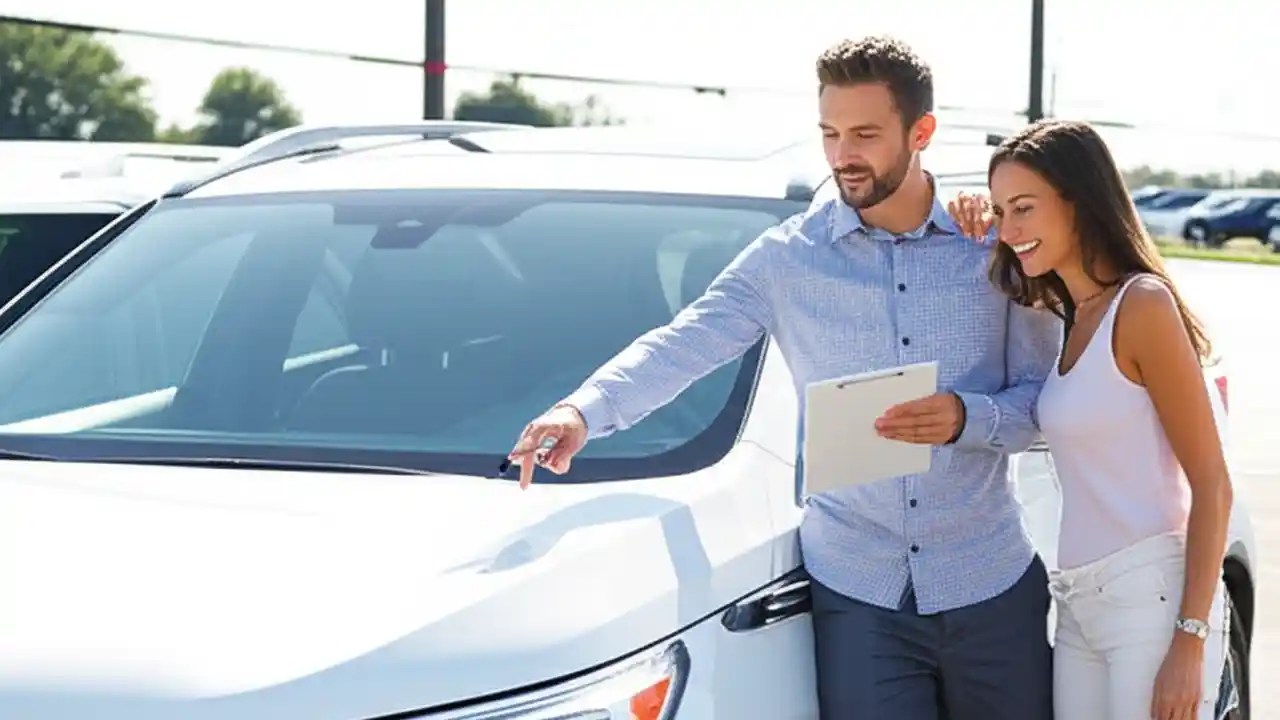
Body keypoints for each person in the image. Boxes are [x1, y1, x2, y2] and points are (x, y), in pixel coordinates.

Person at [508, 36, 1062, 719]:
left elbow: (1046, 398)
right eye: (829, 133)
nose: (842, 155)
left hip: (992, 584)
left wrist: (966, 418)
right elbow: (685, 342)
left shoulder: (993, 248)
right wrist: (583, 411)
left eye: (864, 134)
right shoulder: (785, 260)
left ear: (921, 133)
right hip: (859, 596)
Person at [948, 119, 1234, 720]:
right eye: (1002, 211)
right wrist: (970, 216)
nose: (1011, 229)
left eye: (1024, 208)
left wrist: (1190, 636)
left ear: (1079, 201)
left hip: (1150, 601)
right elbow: (988, 271)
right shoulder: (1069, 315)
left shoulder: (1143, 305)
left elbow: (1212, 483)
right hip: (1078, 604)